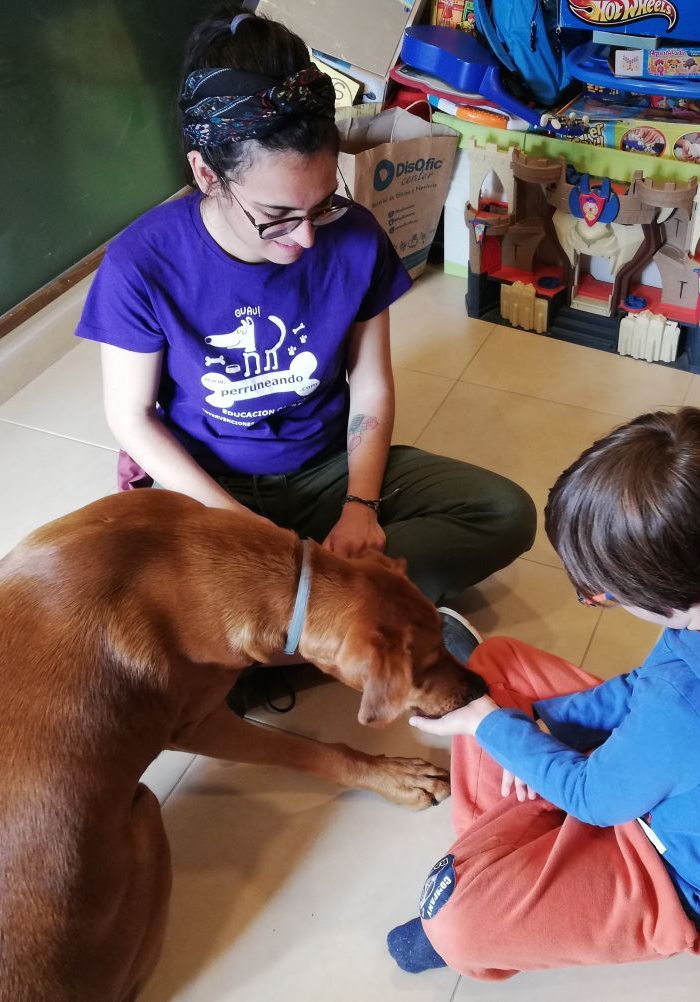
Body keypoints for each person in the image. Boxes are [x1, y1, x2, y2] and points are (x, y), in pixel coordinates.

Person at [74, 4, 535, 708]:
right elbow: (134, 420)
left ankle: (290, 635)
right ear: (206, 173)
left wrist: (359, 504)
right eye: (277, 217)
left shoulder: (354, 239)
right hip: (207, 485)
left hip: (323, 470)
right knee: (134, 624)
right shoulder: (143, 263)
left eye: (322, 204)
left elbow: (371, 389)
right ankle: (337, 624)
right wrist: (236, 524)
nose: (308, 239)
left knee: (505, 513)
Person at [387, 407, 700, 980]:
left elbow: (597, 798)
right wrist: (536, 719)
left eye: (598, 595)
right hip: (663, 768)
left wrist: (493, 726)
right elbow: (641, 689)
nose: (593, 600)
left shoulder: (690, 706)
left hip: (681, 885)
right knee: (498, 668)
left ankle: (493, 866)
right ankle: (515, 829)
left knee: (456, 921)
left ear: (662, 595)